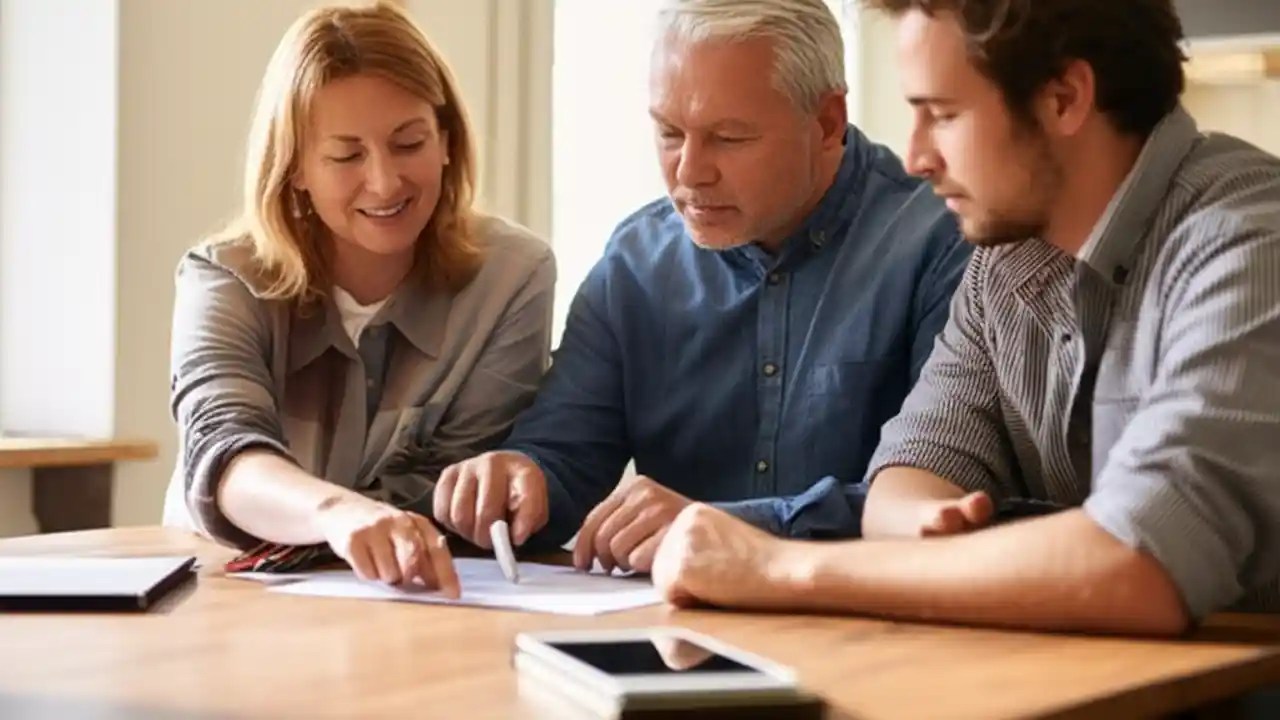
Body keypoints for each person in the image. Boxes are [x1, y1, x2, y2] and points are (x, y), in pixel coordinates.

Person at [650, 0, 1280, 636]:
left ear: (1064, 99)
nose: (917, 157)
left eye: (942, 115)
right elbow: (908, 477)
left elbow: (1141, 565)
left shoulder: (1252, 244)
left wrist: (777, 569)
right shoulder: (1003, 262)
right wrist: (939, 542)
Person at [433, 0, 970, 573]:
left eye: (729, 138)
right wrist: (520, 478)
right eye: (668, 132)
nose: (689, 172)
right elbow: (564, 457)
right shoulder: (635, 264)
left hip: (881, 631)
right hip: (679, 638)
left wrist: (732, 527)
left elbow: (940, 501)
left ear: (827, 122)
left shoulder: (942, 242)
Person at [160, 1, 555, 597]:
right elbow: (223, 453)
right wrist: (337, 515)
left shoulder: (513, 277)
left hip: (418, 598)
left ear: (446, 141)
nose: (385, 182)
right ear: (294, 167)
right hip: (231, 594)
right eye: (346, 155)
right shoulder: (223, 279)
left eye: (409, 143)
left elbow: (450, 491)